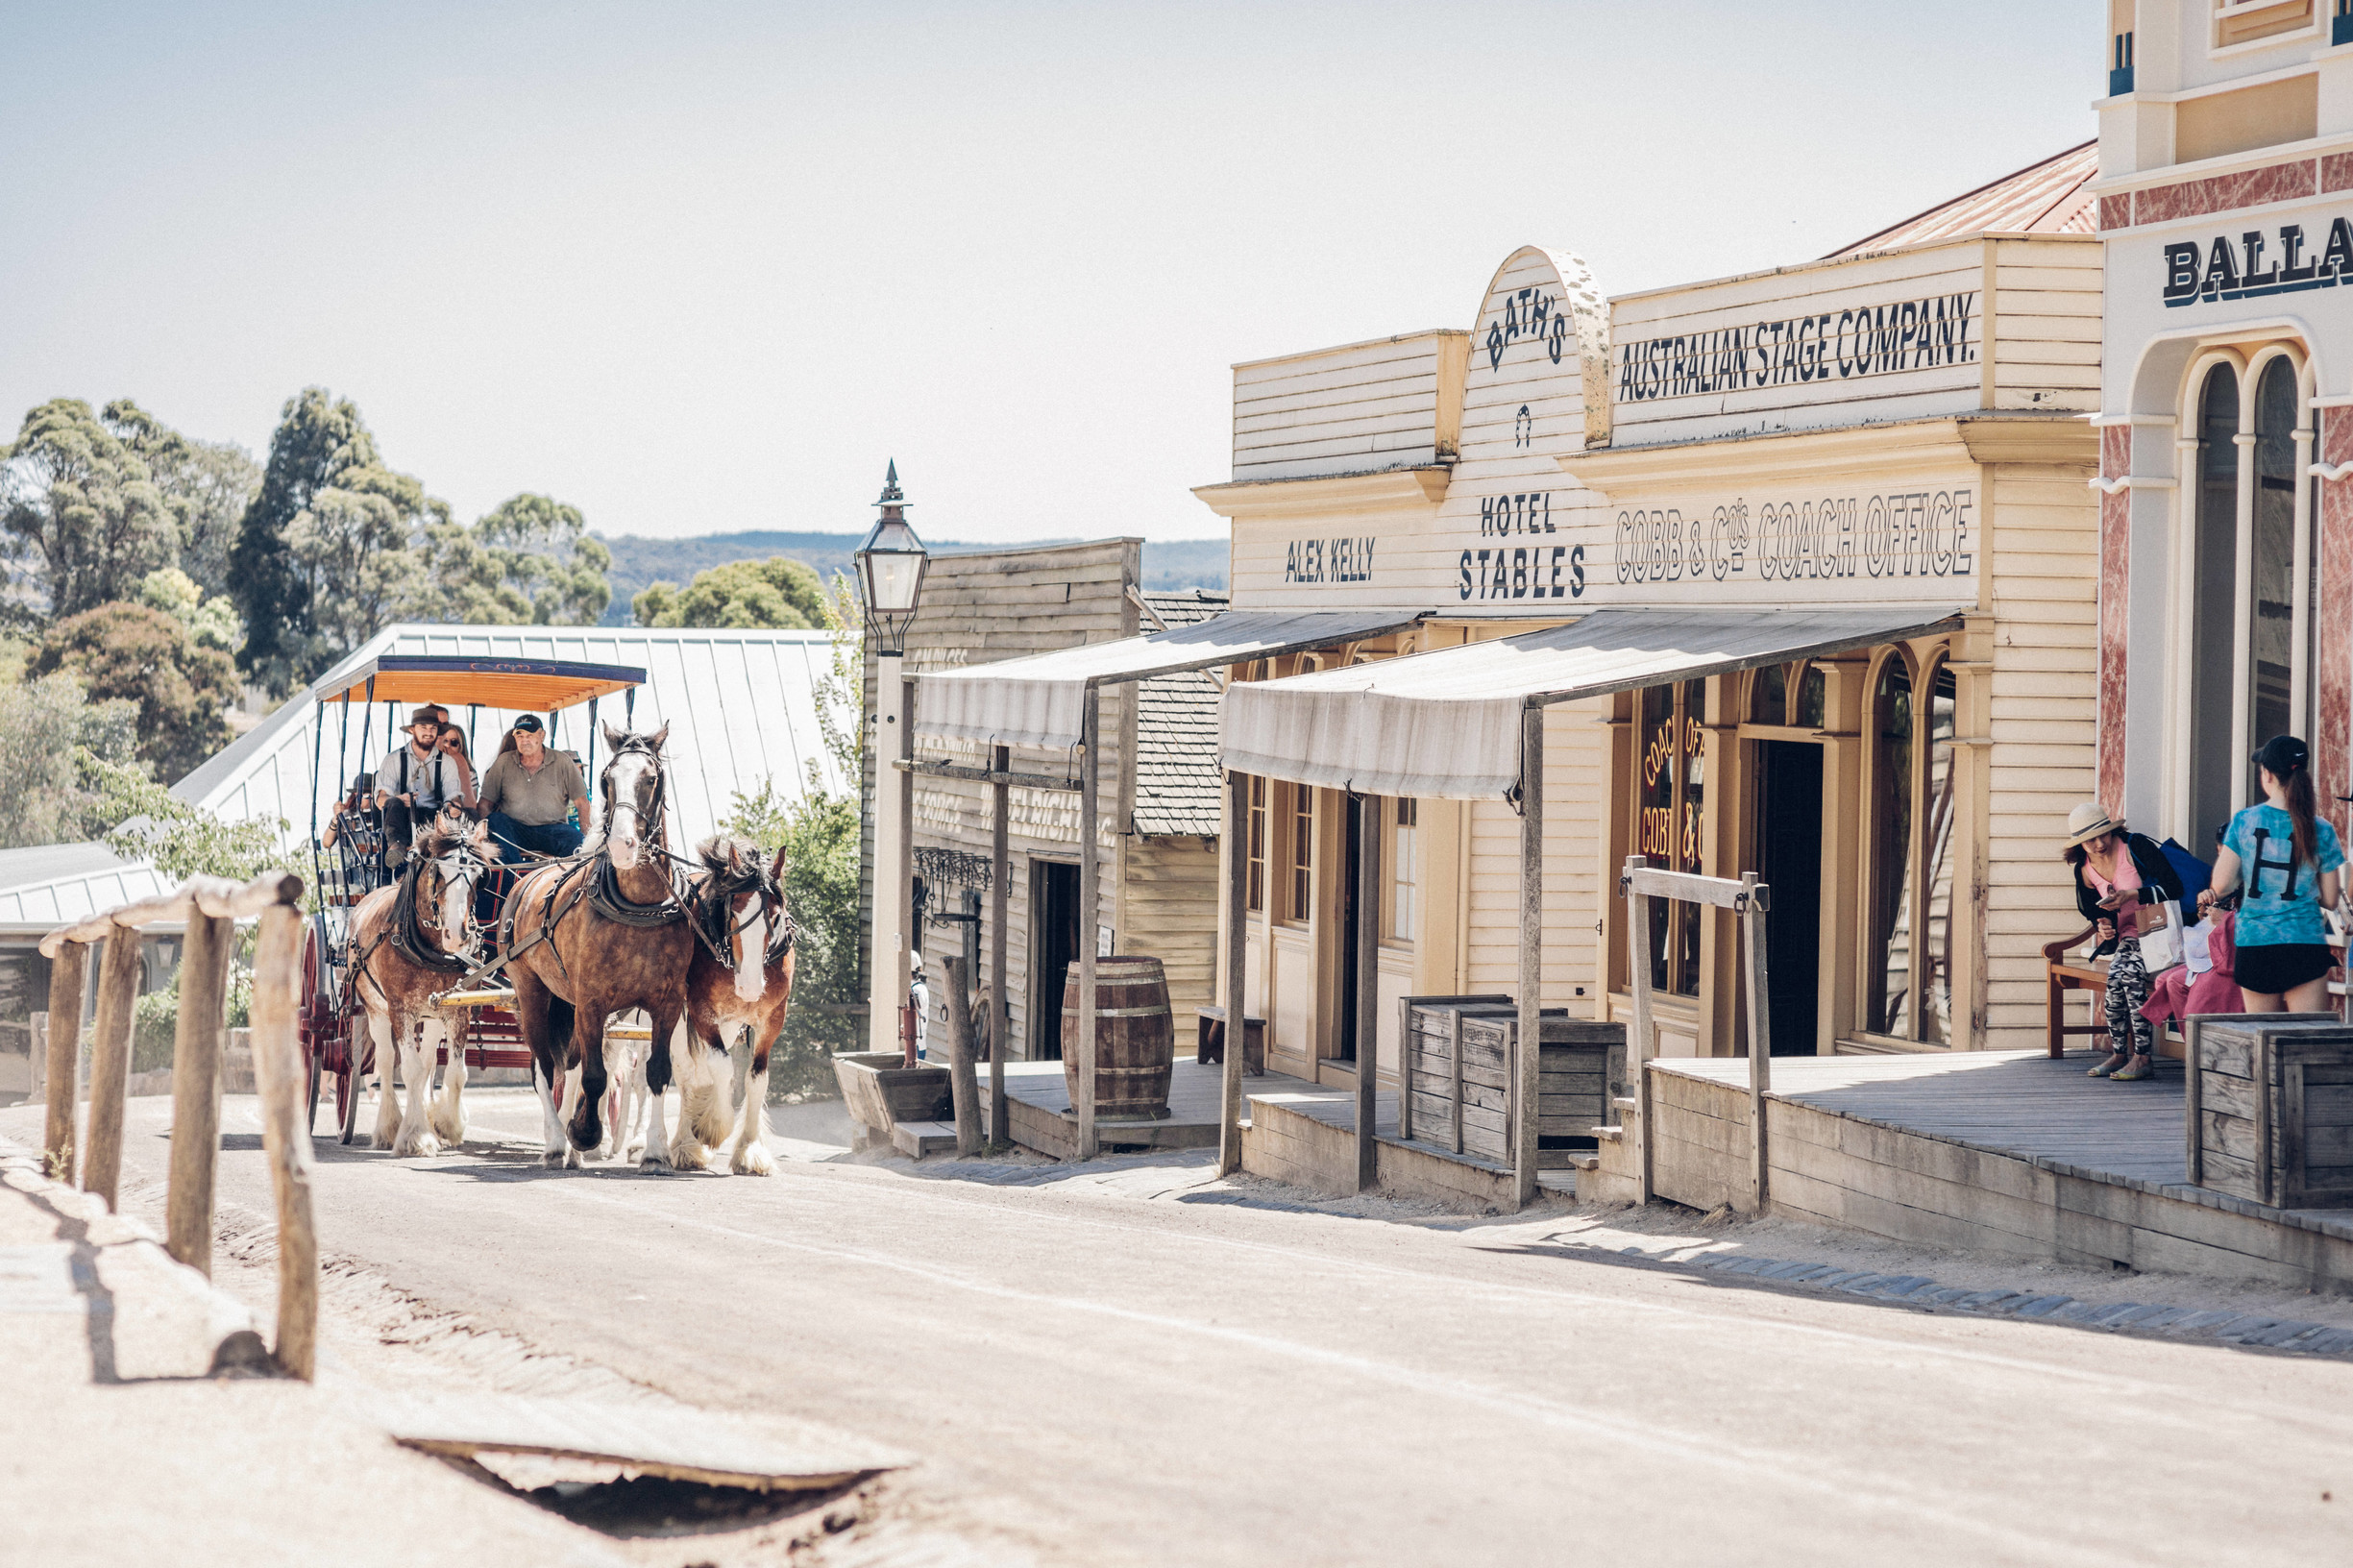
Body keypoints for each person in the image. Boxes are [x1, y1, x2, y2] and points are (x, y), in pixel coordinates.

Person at [2199, 735, 2345, 1015]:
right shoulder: (2322, 829)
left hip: (2257, 945)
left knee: (2264, 1043)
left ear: (2266, 774)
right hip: (2304, 942)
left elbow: (2222, 884)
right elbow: (2329, 899)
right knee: (2306, 1044)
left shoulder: (2244, 821)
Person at [2062, 801, 2186, 1082]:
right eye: (2090, 840)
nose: (2099, 843)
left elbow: (2175, 887)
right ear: (2079, 844)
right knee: (2115, 979)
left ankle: (2142, 1056)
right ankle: (2120, 1053)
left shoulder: (2135, 846)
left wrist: (2132, 895)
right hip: (2130, 935)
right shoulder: (2084, 869)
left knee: (2127, 975)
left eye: (2103, 834)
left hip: (2159, 931)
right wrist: (2103, 926)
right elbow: (2090, 910)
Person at [476, 715, 591, 925]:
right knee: (495, 820)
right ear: (515, 738)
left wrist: (587, 835)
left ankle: (578, 900)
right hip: (514, 832)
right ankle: (514, 887)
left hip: (553, 829)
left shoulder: (562, 762)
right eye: (520, 735)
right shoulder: (503, 762)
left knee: (578, 843)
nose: (525, 740)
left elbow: (583, 803)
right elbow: (484, 804)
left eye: (530, 735)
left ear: (542, 736)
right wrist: (481, 838)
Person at [377, 707, 466, 864]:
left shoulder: (447, 762)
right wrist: (399, 799)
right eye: (423, 727)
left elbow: (453, 795)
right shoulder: (393, 759)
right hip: (402, 820)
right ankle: (396, 850)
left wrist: (453, 806)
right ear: (412, 730)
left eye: (433, 728)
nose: (428, 732)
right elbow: (381, 800)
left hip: (433, 819)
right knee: (393, 803)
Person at [435, 723, 479, 817]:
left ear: (461, 746)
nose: (448, 746)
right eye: (445, 741)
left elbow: (471, 805)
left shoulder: (470, 773)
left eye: (454, 742)